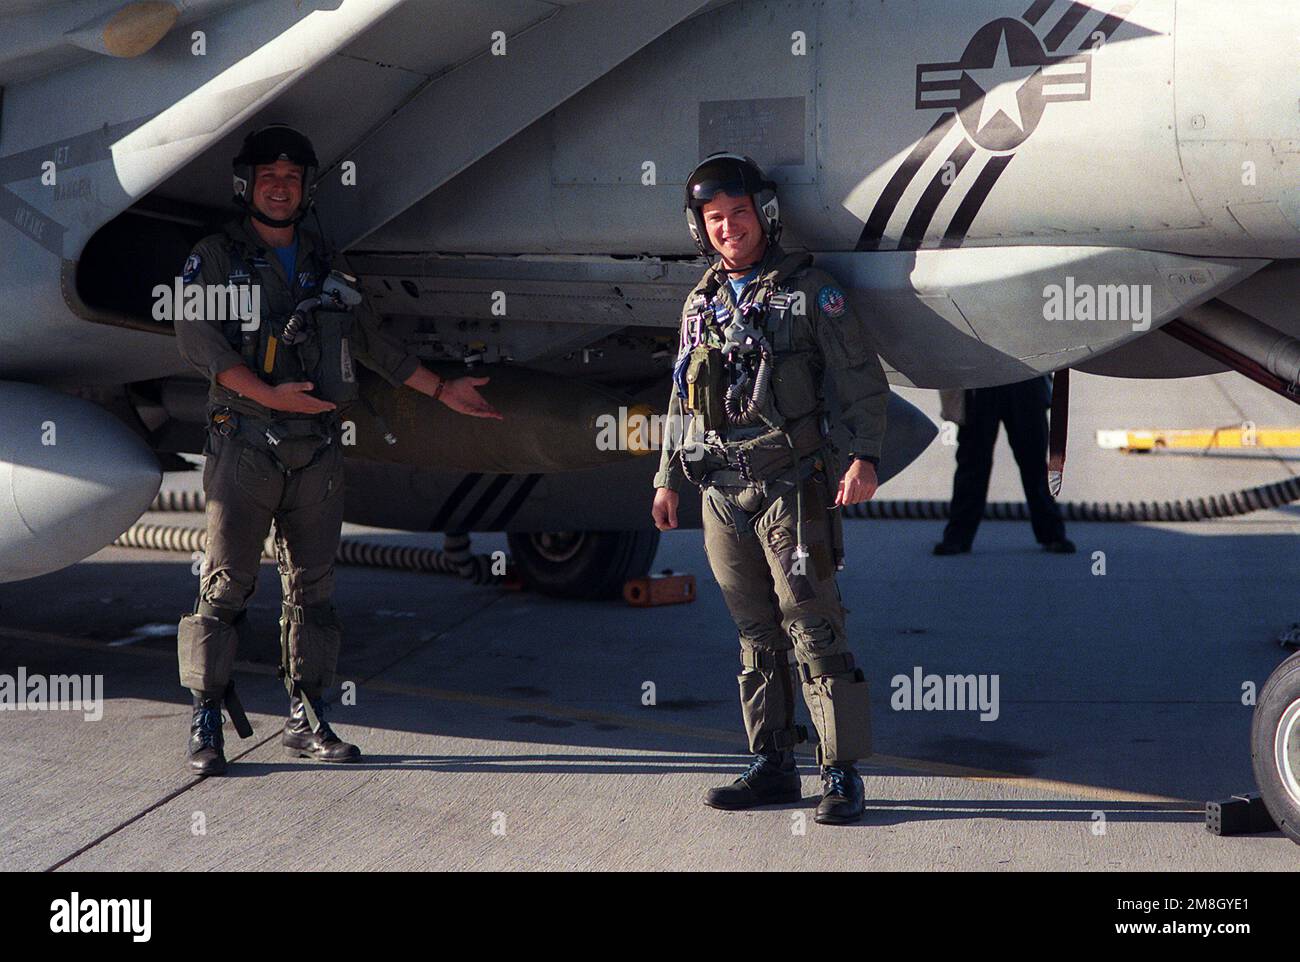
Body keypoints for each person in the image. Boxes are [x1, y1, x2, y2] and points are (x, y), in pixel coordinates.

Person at [173, 124, 501, 775]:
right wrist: (271, 396)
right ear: (247, 184)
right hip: (244, 446)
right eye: (268, 176)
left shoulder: (328, 261)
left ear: (307, 189)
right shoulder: (214, 258)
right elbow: (198, 342)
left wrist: (442, 389)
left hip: (316, 452)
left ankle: (307, 714)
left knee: (313, 591)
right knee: (226, 586)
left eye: (292, 178)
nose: (280, 186)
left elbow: (375, 344)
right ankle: (205, 716)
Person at [651, 153, 889, 824]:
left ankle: (839, 772)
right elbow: (680, 399)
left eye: (740, 214)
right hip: (720, 491)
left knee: (812, 624)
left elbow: (861, 381)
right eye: (715, 219)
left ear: (766, 215)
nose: (729, 228)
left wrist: (864, 458)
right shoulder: (700, 301)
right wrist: (667, 477)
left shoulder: (813, 292)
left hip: (791, 487)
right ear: (701, 228)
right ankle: (772, 762)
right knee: (754, 632)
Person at [934, 379, 1075, 555]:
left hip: (1018, 376)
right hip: (985, 376)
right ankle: (957, 537)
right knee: (973, 462)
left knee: (1033, 461)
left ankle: (1053, 534)